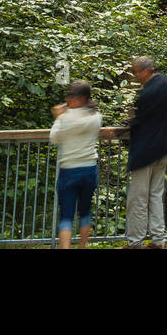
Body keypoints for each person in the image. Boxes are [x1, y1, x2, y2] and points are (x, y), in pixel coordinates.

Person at [124, 57, 167, 249]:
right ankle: (159, 240)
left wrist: (124, 125)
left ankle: (135, 242)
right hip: (163, 146)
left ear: (146, 71)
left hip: (147, 151)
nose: (135, 76)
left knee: (138, 198)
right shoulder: (163, 83)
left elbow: (140, 120)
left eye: (136, 72)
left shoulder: (148, 93)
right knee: (155, 195)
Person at [49, 81, 102, 249]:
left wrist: (58, 118)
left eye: (72, 96)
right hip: (89, 169)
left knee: (66, 215)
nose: (68, 99)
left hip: (69, 170)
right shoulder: (96, 116)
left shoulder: (66, 118)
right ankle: (82, 246)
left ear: (82, 98)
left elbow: (54, 138)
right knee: (85, 212)